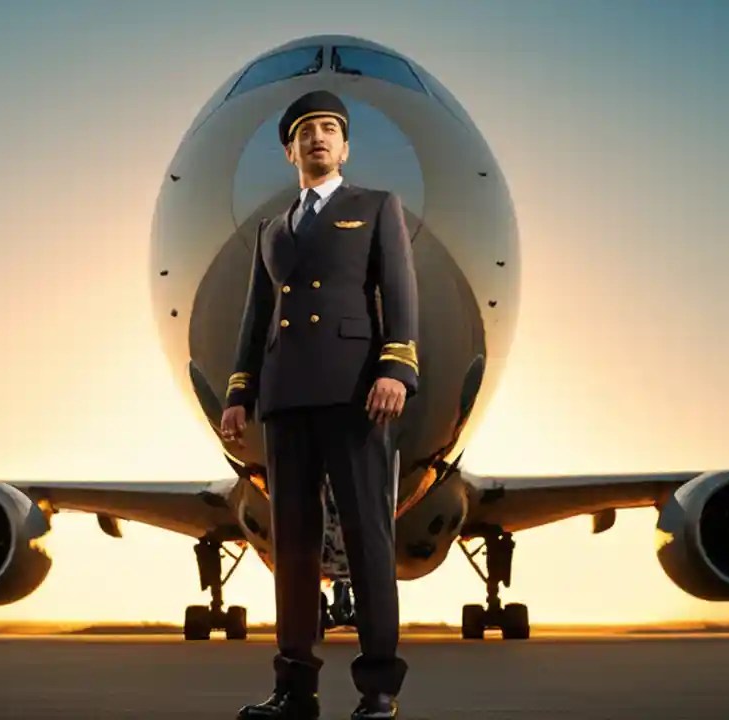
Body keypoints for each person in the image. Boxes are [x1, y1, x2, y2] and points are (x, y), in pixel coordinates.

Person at [220, 89, 419, 720]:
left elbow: (399, 292)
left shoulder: (375, 207)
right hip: (286, 398)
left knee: (368, 539)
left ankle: (378, 691)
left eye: (330, 128)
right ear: (291, 150)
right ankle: (294, 688)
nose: (318, 138)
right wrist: (239, 392)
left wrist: (396, 366)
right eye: (306, 131)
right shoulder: (272, 230)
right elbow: (257, 317)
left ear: (345, 146)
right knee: (295, 547)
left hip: (355, 391)